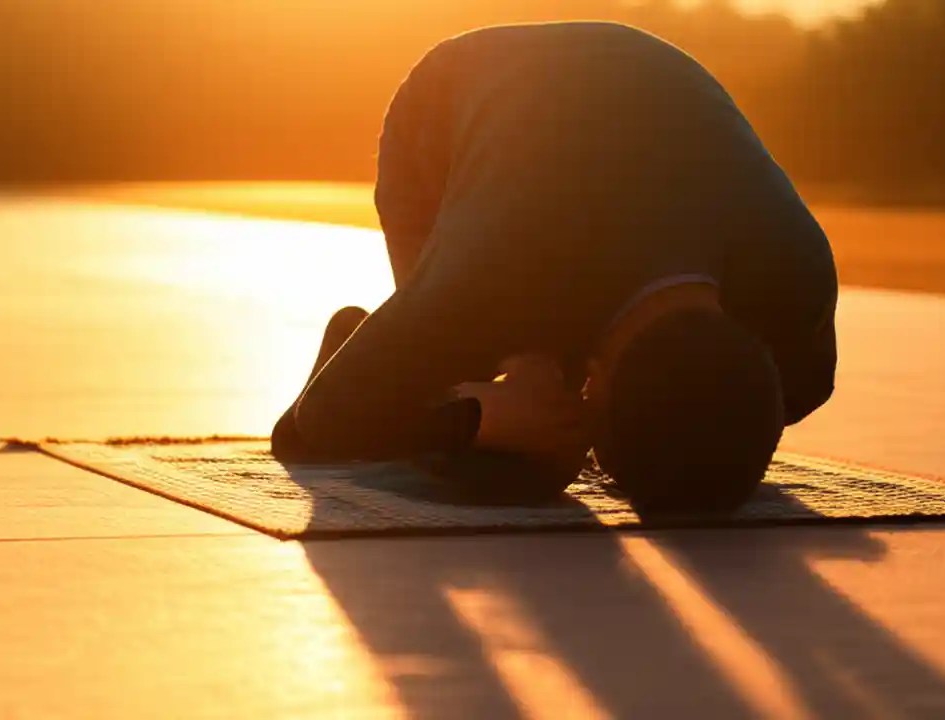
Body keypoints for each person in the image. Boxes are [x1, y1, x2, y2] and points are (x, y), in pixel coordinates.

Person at [272, 22, 837, 513]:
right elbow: (323, 422)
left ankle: (427, 373)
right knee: (510, 465)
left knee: (545, 438)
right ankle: (360, 344)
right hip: (450, 103)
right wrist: (476, 416)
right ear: (596, 371)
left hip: (628, 88)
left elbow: (720, 427)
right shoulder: (496, 270)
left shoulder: (797, 286)